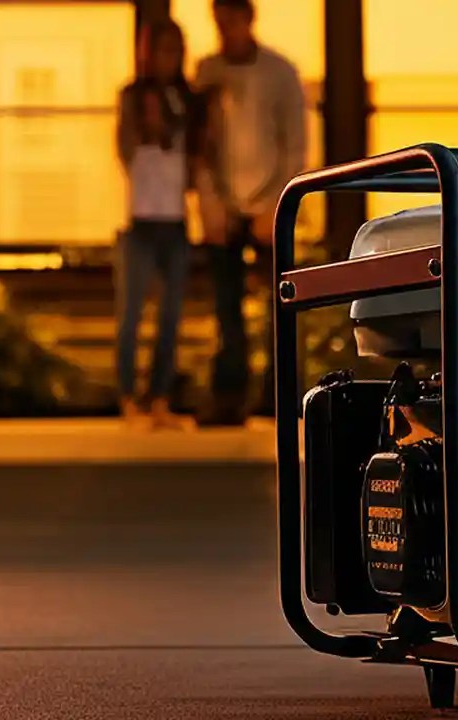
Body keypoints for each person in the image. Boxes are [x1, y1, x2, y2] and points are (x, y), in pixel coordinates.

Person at [193, 0, 307, 426]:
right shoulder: (207, 71)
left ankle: (279, 393)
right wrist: (211, 204)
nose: (226, 32)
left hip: (269, 201)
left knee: (279, 303)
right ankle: (228, 395)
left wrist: (274, 204)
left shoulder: (280, 73)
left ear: (247, 20)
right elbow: (200, 146)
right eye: (220, 25)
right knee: (227, 307)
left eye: (232, 23)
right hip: (224, 202)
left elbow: (294, 144)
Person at [115, 18, 202, 431]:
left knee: (170, 315)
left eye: (175, 50)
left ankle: (161, 398)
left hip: (175, 217)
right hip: (139, 218)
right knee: (132, 314)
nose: (169, 58)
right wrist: (144, 126)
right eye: (162, 49)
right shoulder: (133, 96)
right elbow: (124, 148)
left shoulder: (185, 98)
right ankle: (129, 396)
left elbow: (195, 151)